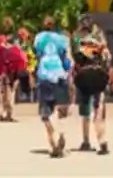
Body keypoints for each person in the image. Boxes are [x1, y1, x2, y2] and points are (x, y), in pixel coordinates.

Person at [72, 17, 113, 155]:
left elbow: (75, 56)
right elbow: (107, 57)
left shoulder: (77, 39)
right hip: (98, 75)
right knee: (98, 110)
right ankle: (102, 141)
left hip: (84, 75)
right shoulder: (99, 38)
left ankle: (86, 141)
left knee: (85, 111)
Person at [33, 16, 73, 158]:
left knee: (46, 114)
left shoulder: (38, 38)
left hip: (44, 76)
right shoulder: (61, 39)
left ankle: (54, 143)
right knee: (62, 109)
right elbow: (65, 59)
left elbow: (37, 55)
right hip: (59, 75)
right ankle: (61, 134)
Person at [0, 27, 23, 122]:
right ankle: (8, 113)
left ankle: (3, 111)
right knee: (10, 93)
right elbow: (21, 63)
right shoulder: (16, 50)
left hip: (2, 74)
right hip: (12, 75)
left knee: (2, 94)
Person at [16, 28, 34, 103]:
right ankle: (24, 92)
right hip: (20, 64)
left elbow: (31, 55)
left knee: (29, 76)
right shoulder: (17, 43)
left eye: (23, 35)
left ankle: (29, 92)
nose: (21, 36)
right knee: (21, 77)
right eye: (20, 35)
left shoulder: (28, 44)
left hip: (27, 63)